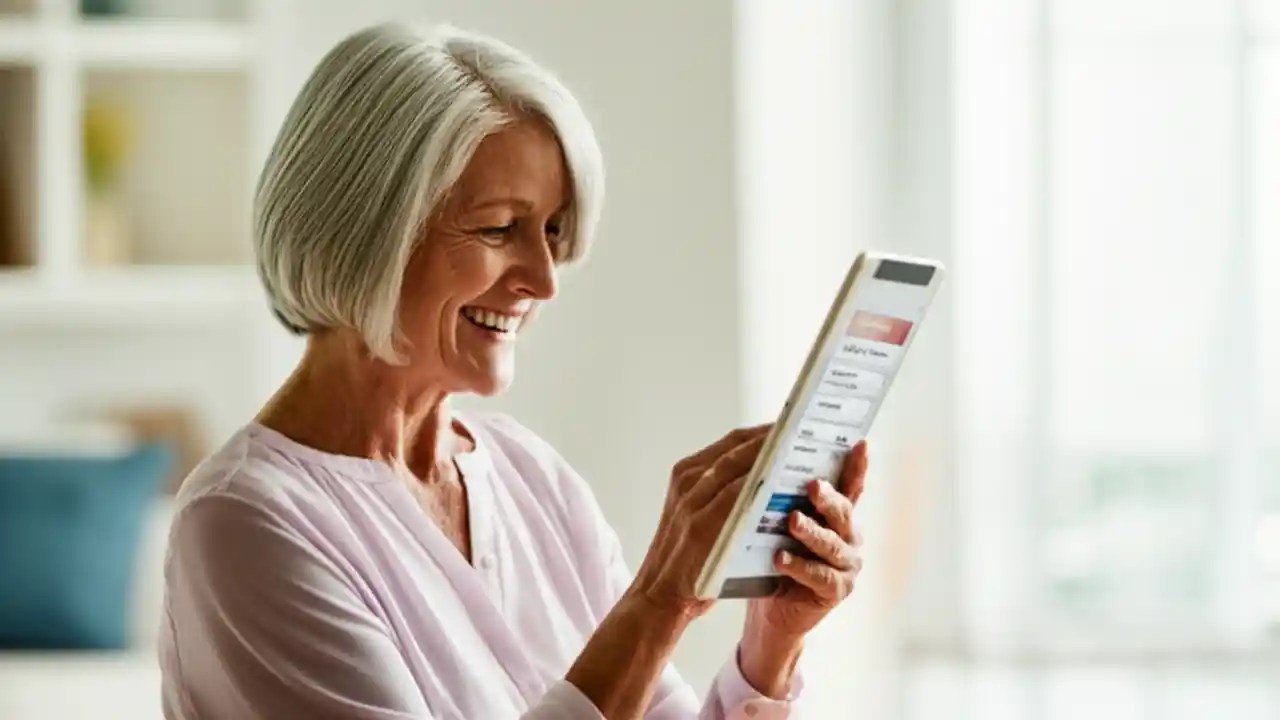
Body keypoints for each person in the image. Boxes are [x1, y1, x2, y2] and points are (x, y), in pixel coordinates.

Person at [159, 22, 868, 720]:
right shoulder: (245, 523)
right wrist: (661, 597)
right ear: (367, 228)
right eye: (500, 228)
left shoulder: (532, 479)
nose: (543, 279)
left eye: (553, 231)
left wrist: (772, 646)